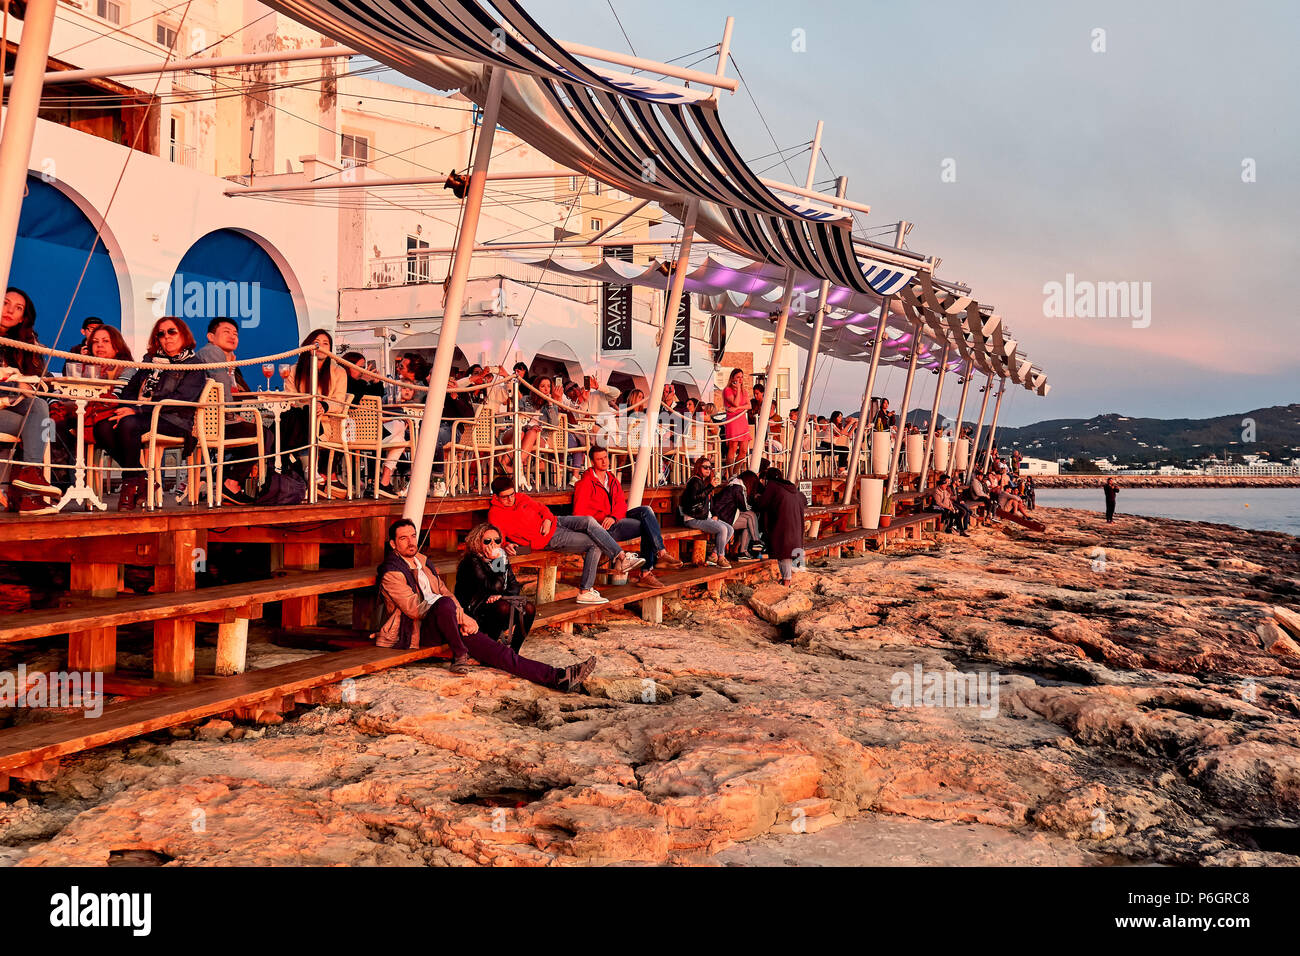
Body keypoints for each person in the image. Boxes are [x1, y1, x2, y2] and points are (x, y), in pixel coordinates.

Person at [376, 518, 594, 688]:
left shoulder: (423, 562)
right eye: (404, 538)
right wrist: (462, 616)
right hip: (418, 630)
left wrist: (459, 616)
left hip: (452, 621)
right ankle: (460, 653)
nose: (411, 541)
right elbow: (416, 608)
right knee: (444, 605)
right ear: (393, 543)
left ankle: (558, 677)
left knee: (501, 654)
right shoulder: (391, 571)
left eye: (413, 536)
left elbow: (449, 593)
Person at [93, 316, 206, 511]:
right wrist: (127, 405)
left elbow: (181, 400)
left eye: (172, 332)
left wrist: (137, 409)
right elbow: (130, 388)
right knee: (102, 427)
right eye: (161, 334)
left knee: (128, 424)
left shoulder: (194, 365)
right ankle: (142, 479)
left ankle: (129, 488)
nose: (166, 337)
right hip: (144, 416)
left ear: (183, 335)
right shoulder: (150, 361)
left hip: (175, 421)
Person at [487, 474, 644, 605]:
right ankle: (585, 591)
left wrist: (548, 520)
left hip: (556, 522)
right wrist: (507, 544)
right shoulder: (495, 514)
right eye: (505, 497)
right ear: (496, 496)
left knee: (589, 520)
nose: (510, 499)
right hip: (547, 539)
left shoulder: (521, 498)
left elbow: (542, 509)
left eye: (512, 494)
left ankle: (621, 556)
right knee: (594, 544)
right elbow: (498, 538)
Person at [572, 446, 684, 588]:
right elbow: (578, 514)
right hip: (602, 529)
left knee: (646, 511)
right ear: (592, 462)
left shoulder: (612, 479)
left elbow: (621, 504)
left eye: (605, 457)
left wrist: (613, 517)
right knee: (647, 526)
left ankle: (660, 553)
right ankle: (646, 572)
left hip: (616, 520)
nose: (604, 461)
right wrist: (599, 522)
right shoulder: (584, 484)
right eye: (599, 459)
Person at [196, 317, 263, 504]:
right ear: (211, 336)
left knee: (263, 431)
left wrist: (232, 370)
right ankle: (230, 484)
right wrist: (233, 416)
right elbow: (221, 390)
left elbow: (246, 396)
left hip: (223, 420)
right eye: (226, 332)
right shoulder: (211, 352)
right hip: (212, 423)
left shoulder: (229, 364)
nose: (232, 336)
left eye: (235, 333)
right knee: (262, 434)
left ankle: (219, 482)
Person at [454, 522, 535, 651]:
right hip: (473, 612)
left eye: (497, 541)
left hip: (493, 608)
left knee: (528, 608)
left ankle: (514, 651)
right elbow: (494, 587)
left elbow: (514, 587)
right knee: (503, 607)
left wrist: (501, 596)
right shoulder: (472, 561)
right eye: (487, 541)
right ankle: (489, 651)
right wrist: (498, 562)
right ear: (477, 542)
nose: (493, 545)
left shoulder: (500, 557)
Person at [280, 328, 347, 478]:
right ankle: (308, 468)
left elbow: (339, 402)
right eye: (316, 343)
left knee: (287, 427)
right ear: (308, 346)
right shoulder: (293, 370)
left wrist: (324, 406)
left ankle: (290, 466)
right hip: (298, 419)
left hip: (325, 424)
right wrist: (308, 405)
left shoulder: (338, 372)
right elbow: (289, 399)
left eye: (325, 343)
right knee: (300, 415)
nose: (320, 347)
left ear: (330, 348)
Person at [754, 466, 805, 586]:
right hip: (795, 523)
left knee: (783, 553)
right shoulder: (791, 487)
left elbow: (761, 504)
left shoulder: (773, 486)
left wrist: (757, 498)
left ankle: (786, 582)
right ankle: (787, 579)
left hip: (782, 524)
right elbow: (804, 500)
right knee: (788, 552)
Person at [679, 456, 733, 568]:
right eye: (705, 467)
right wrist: (710, 487)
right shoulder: (694, 481)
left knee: (730, 529)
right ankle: (721, 557)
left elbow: (708, 503)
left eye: (710, 467)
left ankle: (713, 555)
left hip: (702, 517)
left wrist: (715, 515)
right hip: (693, 518)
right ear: (699, 467)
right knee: (722, 529)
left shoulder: (702, 482)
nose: (709, 469)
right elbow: (695, 498)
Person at [710, 468, 763, 559]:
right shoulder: (737, 488)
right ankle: (755, 542)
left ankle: (745, 550)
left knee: (750, 522)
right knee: (751, 516)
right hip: (723, 517)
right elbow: (744, 507)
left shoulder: (735, 485)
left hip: (726, 514)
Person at [721, 368, 750, 469]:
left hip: (742, 421)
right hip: (733, 420)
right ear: (732, 378)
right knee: (733, 447)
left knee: (744, 450)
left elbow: (748, 406)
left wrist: (737, 408)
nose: (740, 379)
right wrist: (737, 389)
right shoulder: (727, 390)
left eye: (741, 377)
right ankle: (730, 473)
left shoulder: (745, 391)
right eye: (738, 377)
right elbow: (736, 402)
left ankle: (735, 471)